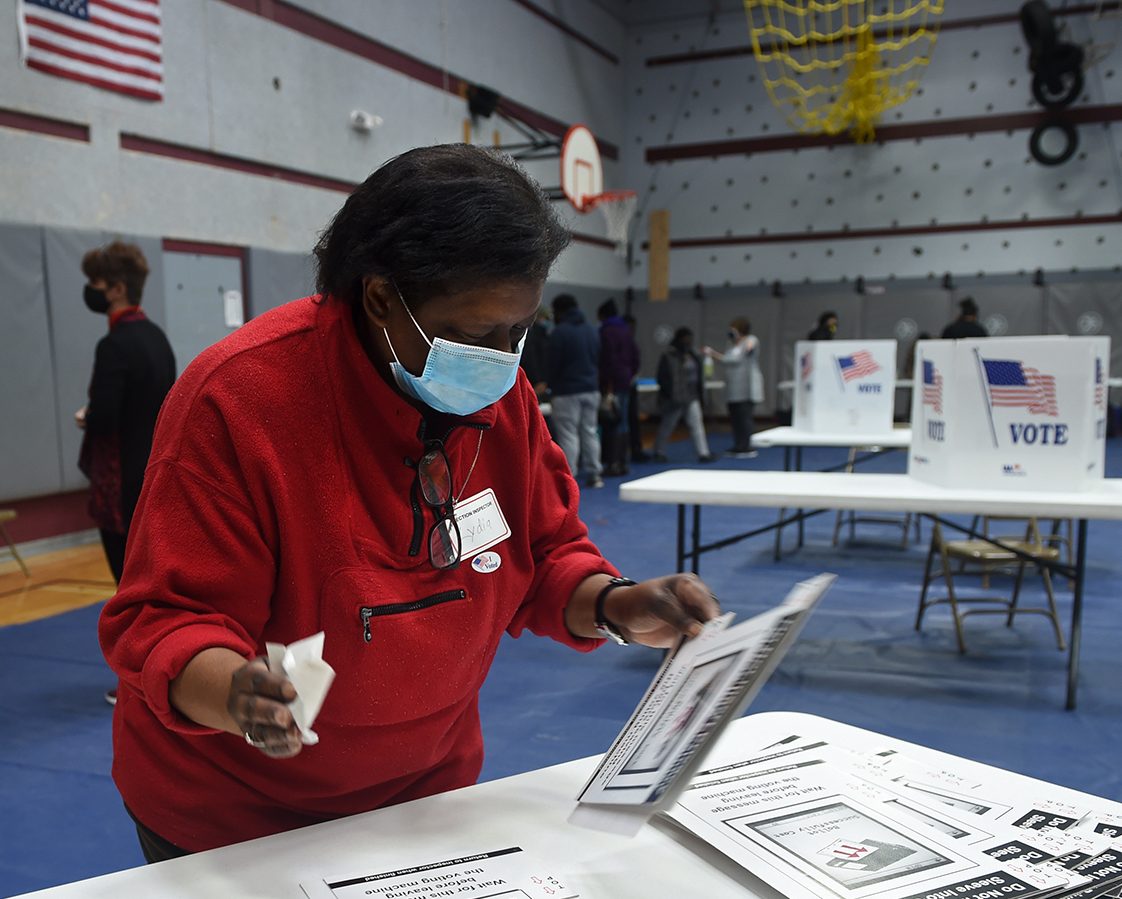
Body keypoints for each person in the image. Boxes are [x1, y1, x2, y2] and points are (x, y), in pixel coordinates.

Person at [98, 144, 719, 861]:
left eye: (518, 331)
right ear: (380, 298)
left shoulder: (501, 396)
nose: (501, 359)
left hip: (425, 799)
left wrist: (614, 602)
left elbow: (542, 554)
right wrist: (237, 694)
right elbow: (168, 619)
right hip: (240, 820)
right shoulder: (239, 401)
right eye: (475, 334)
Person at [72, 241, 177, 706]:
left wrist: (87, 416)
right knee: (155, 582)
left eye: (95, 283)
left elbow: (105, 415)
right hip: (155, 474)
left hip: (121, 485)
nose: (90, 290)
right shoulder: (156, 337)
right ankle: (161, 669)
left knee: (128, 587)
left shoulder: (114, 344)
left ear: (116, 289)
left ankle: (137, 680)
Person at [546, 292, 602, 487]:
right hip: (591, 389)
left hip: (566, 391)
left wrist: (550, 384)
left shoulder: (560, 332)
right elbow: (598, 358)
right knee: (590, 431)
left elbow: (553, 364)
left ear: (560, 312)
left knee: (568, 434)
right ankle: (595, 473)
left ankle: (570, 478)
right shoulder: (591, 330)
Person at [653, 327, 714, 462]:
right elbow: (662, 377)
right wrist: (670, 393)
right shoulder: (669, 356)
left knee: (697, 425)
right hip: (675, 398)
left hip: (692, 396)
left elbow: (699, 376)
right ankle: (658, 451)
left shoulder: (694, 355)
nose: (688, 342)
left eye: (689, 339)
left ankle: (703, 453)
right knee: (667, 425)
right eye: (685, 339)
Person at [704, 317, 763, 458]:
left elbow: (750, 346)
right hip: (732, 388)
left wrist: (748, 345)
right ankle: (738, 445)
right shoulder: (730, 345)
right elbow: (727, 359)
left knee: (744, 418)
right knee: (735, 419)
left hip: (746, 388)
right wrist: (712, 354)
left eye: (734, 329)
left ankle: (747, 446)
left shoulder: (751, 340)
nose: (731, 331)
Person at [596, 299, 641, 476]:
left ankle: (613, 462)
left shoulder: (606, 331)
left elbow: (608, 359)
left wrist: (606, 382)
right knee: (623, 422)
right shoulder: (625, 330)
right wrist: (629, 374)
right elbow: (636, 356)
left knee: (613, 421)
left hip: (612, 383)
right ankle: (622, 462)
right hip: (625, 381)